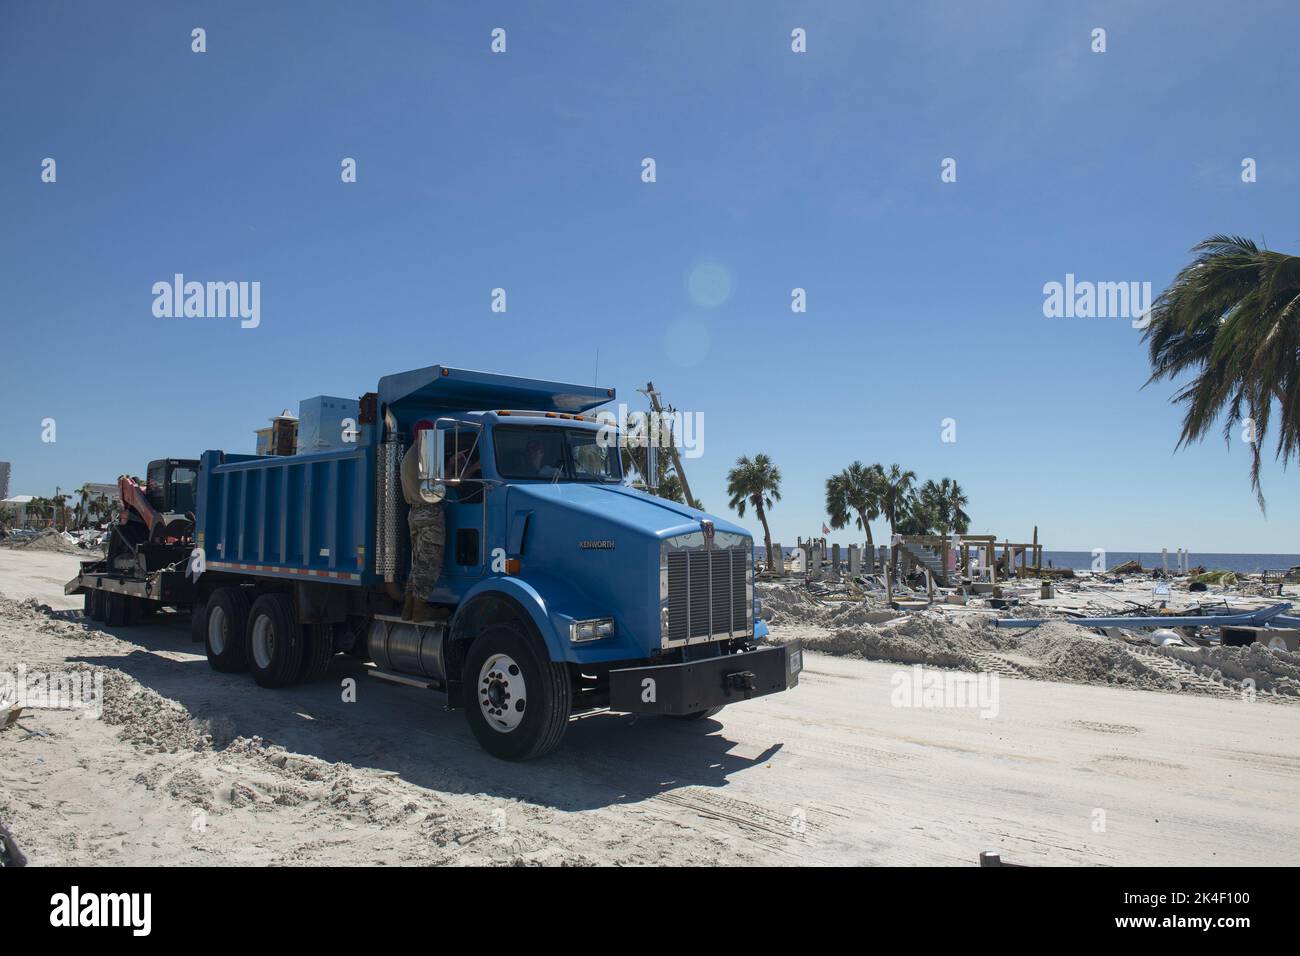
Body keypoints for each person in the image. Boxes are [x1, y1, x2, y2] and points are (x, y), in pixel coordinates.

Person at [399, 420, 445, 623]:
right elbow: (437, 487)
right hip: (429, 513)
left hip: (415, 512)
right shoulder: (427, 448)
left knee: (418, 562)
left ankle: (409, 607)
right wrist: (469, 470)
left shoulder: (409, 454)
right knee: (429, 562)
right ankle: (420, 610)